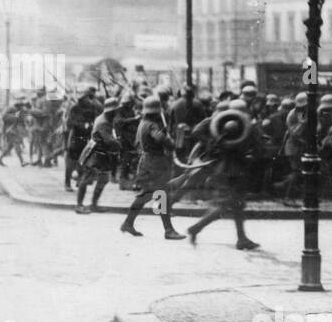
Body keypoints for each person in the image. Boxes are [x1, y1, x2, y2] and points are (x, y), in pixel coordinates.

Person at [180, 104, 260, 250]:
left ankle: (242, 239)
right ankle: (196, 228)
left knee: (237, 206)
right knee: (225, 205)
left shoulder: (221, 129)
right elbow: (257, 148)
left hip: (223, 169)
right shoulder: (243, 129)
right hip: (235, 171)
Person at [120, 96, 185, 240]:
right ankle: (168, 230)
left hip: (147, 162)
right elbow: (163, 141)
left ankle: (128, 223)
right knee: (161, 196)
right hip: (155, 164)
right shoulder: (152, 126)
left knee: (146, 195)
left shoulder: (143, 123)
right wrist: (168, 139)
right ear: (156, 112)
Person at [75, 98, 121, 214]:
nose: (117, 112)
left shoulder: (105, 118)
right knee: (86, 179)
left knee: (103, 179)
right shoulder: (104, 122)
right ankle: (79, 205)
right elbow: (109, 140)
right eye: (116, 110)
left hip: (101, 154)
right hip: (95, 154)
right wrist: (119, 144)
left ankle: (94, 204)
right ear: (111, 111)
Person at [63, 86, 101, 189]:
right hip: (75, 137)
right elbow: (69, 122)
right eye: (86, 98)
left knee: (83, 160)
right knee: (71, 162)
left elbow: (95, 119)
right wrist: (82, 125)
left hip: (86, 137)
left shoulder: (92, 108)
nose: (88, 100)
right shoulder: (74, 108)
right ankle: (67, 183)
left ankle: (80, 180)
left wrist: (91, 125)